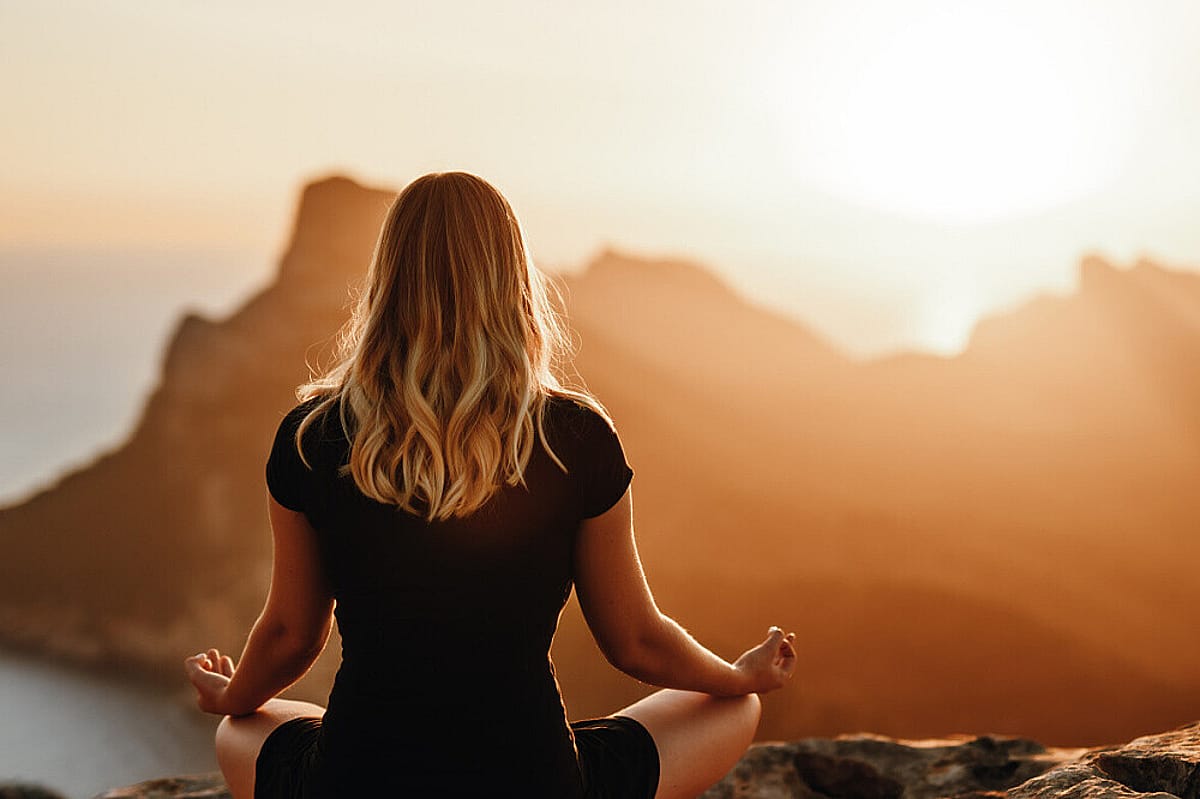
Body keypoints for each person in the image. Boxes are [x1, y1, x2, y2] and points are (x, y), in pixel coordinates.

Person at [184, 171, 797, 799]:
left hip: (357, 779)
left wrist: (230, 694)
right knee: (734, 708)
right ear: (514, 280)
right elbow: (635, 640)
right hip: (533, 779)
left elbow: (291, 636)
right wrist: (735, 674)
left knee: (248, 726)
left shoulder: (310, 437)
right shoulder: (576, 435)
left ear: (388, 280)